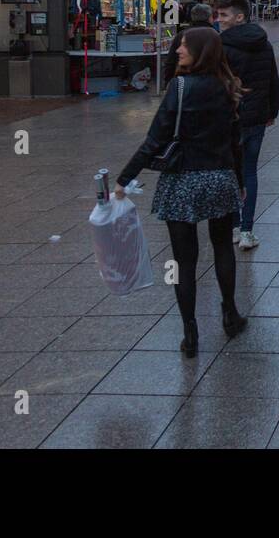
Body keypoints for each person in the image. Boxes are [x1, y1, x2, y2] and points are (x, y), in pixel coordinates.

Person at [114, 26, 247, 357]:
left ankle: (191, 333)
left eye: (185, 47)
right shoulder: (226, 86)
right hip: (219, 177)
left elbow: (155, 138)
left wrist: (124, 178)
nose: (178, 51)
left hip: (183, 180)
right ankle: (230, 313)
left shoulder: (180, 86)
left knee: (185, 261)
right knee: (222, 248)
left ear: (200, 51)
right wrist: (240, 181)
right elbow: (235, 141)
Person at [217, 0, 279, 251]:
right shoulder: (263, 44)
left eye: (223, 15)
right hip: (256, 117)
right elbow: (273, 80)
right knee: (250, 171)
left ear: (239, 16)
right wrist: (271, 112)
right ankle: (246, 230)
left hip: (228, 118)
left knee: (231, 170)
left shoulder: (220, 46)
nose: (218, 20)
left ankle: (233, 225)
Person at [163, 2, 215, 82]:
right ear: (210, 18)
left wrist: (169, 82)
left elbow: (171, 61)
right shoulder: (214, 35)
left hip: (183, 80)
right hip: (209, 80)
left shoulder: (182, 35)